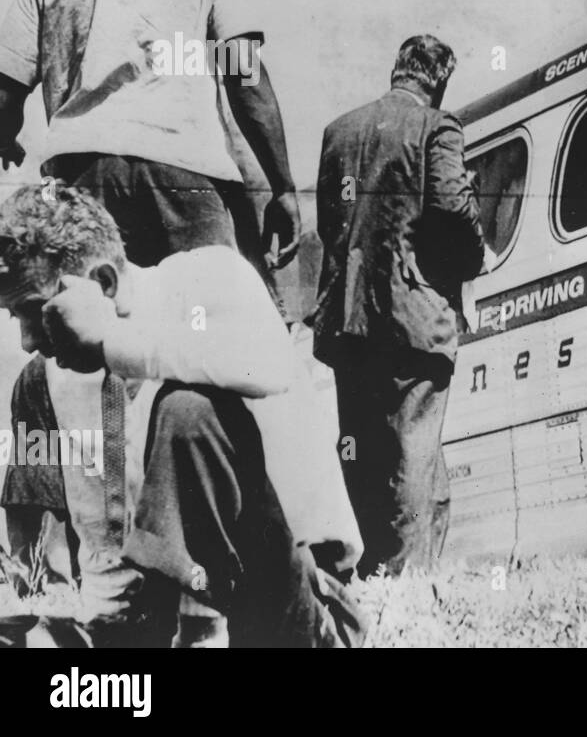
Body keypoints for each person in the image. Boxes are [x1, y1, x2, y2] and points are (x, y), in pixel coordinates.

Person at [0, 182, 359, 646]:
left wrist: (113, 343)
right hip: (144, 623)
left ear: (104, 283)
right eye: (15, 318)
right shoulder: (47, 377)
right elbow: (96, 548)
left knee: (188, 412)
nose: (28, 339)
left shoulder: (205, 279)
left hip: (285, 608)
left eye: (33, 310)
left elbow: (267, 363)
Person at [0, 0, 300, 271]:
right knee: (202, 314)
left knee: (86, 316)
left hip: (79, 170)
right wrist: (283, 187)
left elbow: (5, 92)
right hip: (184, 167)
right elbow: (245, 77)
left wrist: (5, 138)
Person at [315, 34, 484, 577]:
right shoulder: (438, 127)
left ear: (398, 70)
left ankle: (378, 573)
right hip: (413, 316)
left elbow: (330, 223)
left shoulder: (338, 132)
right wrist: (471, 260)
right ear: (438, 80)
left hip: (348, 319)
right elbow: (453, 210)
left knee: (363, 446)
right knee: (414, 445)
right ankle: (405, 579)